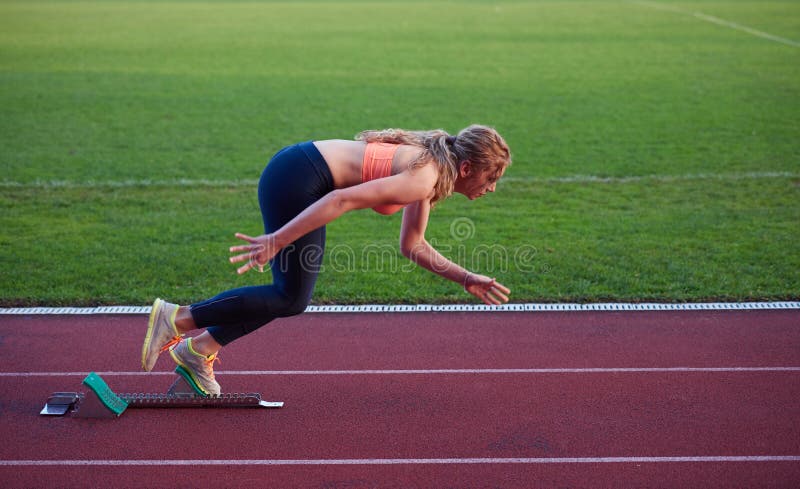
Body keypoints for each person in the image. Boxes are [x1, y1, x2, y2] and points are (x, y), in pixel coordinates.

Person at [141, 125, 513, 395]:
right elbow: (341, 201)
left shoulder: (433, 172)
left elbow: (413, 244)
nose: (493, 187)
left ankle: (200, 349)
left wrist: (466, 277)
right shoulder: (424, 176)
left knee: (289, 293)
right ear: (467, 169)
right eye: (491, 176)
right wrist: (277, 240)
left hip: (298, 172)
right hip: (298, 178)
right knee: (291, 297)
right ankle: (177, 318)